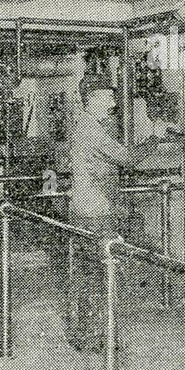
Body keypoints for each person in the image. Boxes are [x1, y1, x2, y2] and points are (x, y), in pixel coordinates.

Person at [64, 85, 161, 350]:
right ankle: (102, 336)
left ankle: (82, 334)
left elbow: (103, 167)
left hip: (80, 209)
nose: (112, 101)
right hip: (97, 212)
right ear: (92, 98)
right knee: (106, 272)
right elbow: (128, 158)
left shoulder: (83, 125)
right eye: (107, 95)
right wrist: (155, 137)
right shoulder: (92, 130)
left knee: (85, 273)